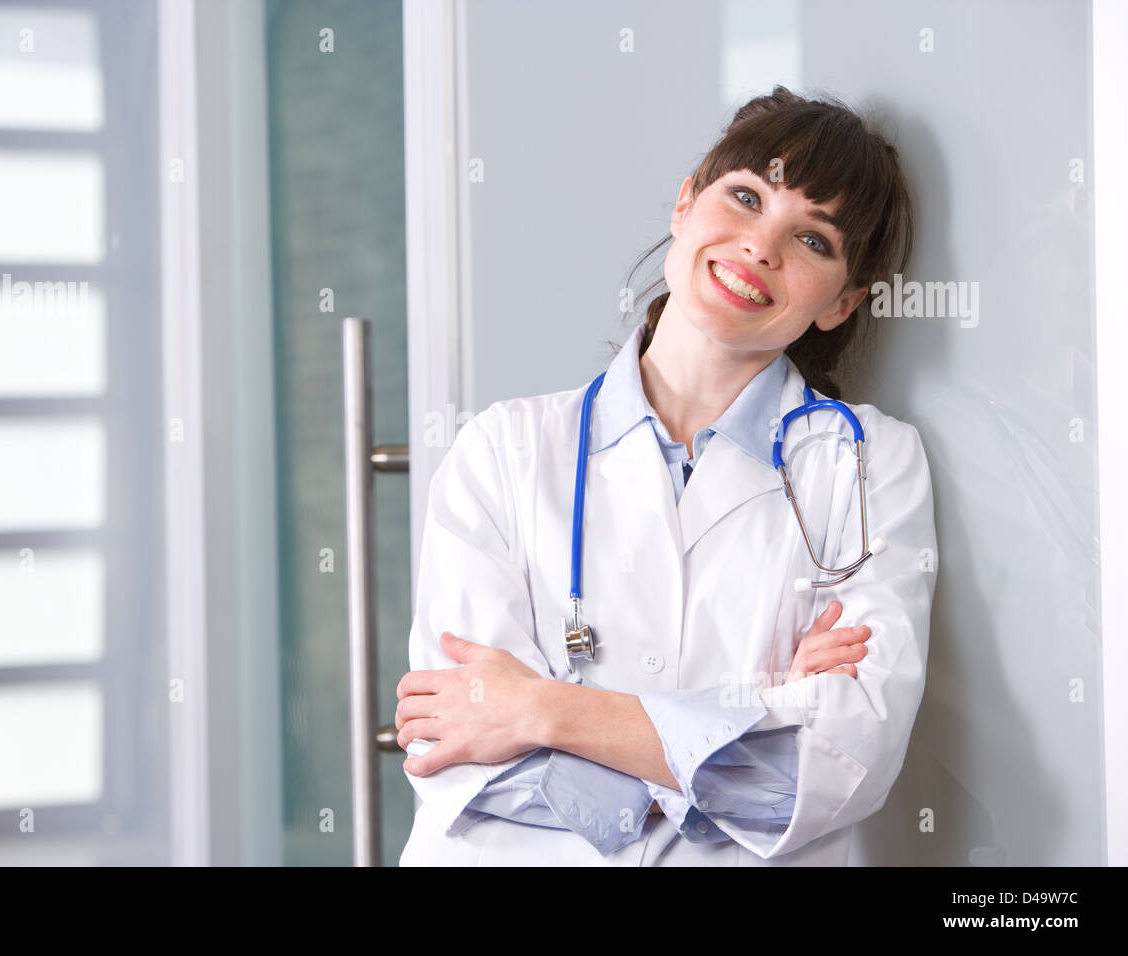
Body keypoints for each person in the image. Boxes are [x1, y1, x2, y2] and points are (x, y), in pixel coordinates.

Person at [395, 86, 936, 866]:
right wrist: (757, 711)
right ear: (685, 203)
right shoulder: (501, 451)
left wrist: (542, 707)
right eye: (744, 197)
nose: (759, 248)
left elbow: (839, 767)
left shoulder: (868, 465)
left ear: (842, 303)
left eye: (813, 241)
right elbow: (467, 756)